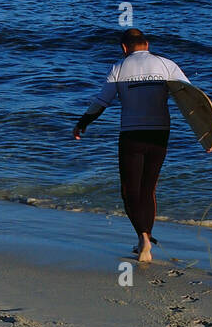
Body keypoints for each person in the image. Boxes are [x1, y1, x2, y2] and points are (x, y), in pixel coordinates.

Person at [73, 29, 189, 263]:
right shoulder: (167, 64)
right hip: (160, 135)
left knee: (129, 191)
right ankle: (145, 239)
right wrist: (206, 134)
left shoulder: (119, 67)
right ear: (147, 44)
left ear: (124, 48)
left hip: (131, 135)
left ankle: (143, 238)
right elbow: (191, 99)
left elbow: (101, 102)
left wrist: (82, 123)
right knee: (149, 189)